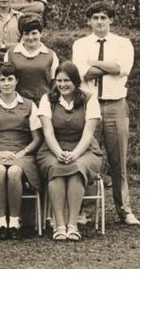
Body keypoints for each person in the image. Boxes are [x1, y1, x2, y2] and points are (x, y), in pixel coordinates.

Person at [71, 1, 139, 225]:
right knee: (89, 157)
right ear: (89, 21)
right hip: (89, 104)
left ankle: (125, 210)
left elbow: (122, 69)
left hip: (115, 104)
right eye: (95, 18)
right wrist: (107, 66)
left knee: (118, 158)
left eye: (103, 17)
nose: (99, 22)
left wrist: (95, 63)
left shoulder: (123, 43)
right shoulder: (80, 44)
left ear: (111, 19)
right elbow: (83, 74)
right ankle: (86, 211)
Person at [37, 62, 105, 241]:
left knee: (76, 168)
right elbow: (48, 132)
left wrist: (75, 154)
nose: (62, 85)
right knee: (56, 168)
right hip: (53, 148)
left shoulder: (89, 99)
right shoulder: (47, 99)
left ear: (75, 81)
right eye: (59, 81)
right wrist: (58, 152)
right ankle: (59, 225)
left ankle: (73, 225)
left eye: (66, 81)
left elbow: (88, 133)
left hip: (85, 149)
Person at [0, 63, 42, 239]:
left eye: (10, 79)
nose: (6, 83)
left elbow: (37, 139)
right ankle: (1, 222)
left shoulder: (29, 105)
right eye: (2, 80)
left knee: (14, 171)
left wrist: (22, 153)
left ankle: (14, 222)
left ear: (16, 81)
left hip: (22, 153)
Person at [4, 14, 59, 102]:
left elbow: (55, 83)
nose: (30, 37)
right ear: (21, 35)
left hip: (43, 103)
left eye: (34, 33)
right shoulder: (11, 54)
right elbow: (5, 82)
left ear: (41, 33)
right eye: (26, 34)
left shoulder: (51, 55)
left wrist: (50, 102)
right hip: (18, 103)